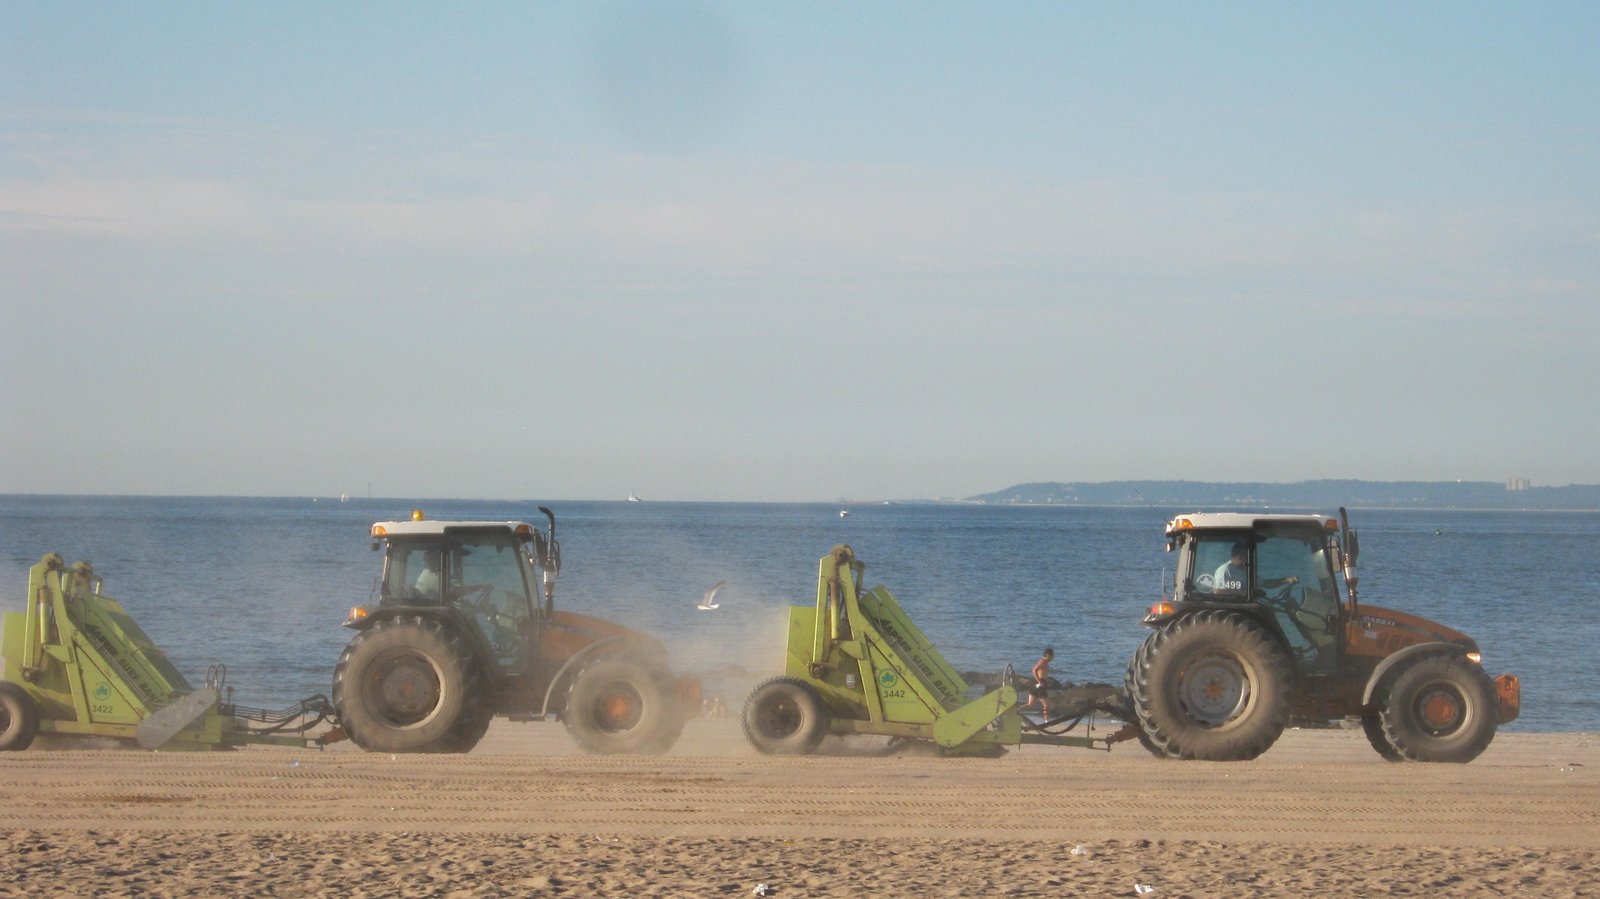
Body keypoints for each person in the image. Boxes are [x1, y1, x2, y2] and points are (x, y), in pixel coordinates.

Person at [1213, 543, 1297, 595]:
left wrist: (1286, 580)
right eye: (1248, 556)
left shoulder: (1245, 571)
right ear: (1240, 556)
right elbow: (1218, 592)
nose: (1250, 560)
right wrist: (1247, 592)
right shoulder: (1225, 570)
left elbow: (1266, 583)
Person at [1024, 647, 1054, 718]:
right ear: (1048, 655)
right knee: (1046, 704)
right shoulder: (1043, 662)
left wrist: (1045, 682)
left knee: (1030, 704)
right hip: (1039, 684)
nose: (1053, 657)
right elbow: (1034, 670)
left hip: (1037, 683)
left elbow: (1042, 673)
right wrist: (1039, 681)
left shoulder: (1045, 662)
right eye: (1052, 655)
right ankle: (1047, 721)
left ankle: (1016, 709)